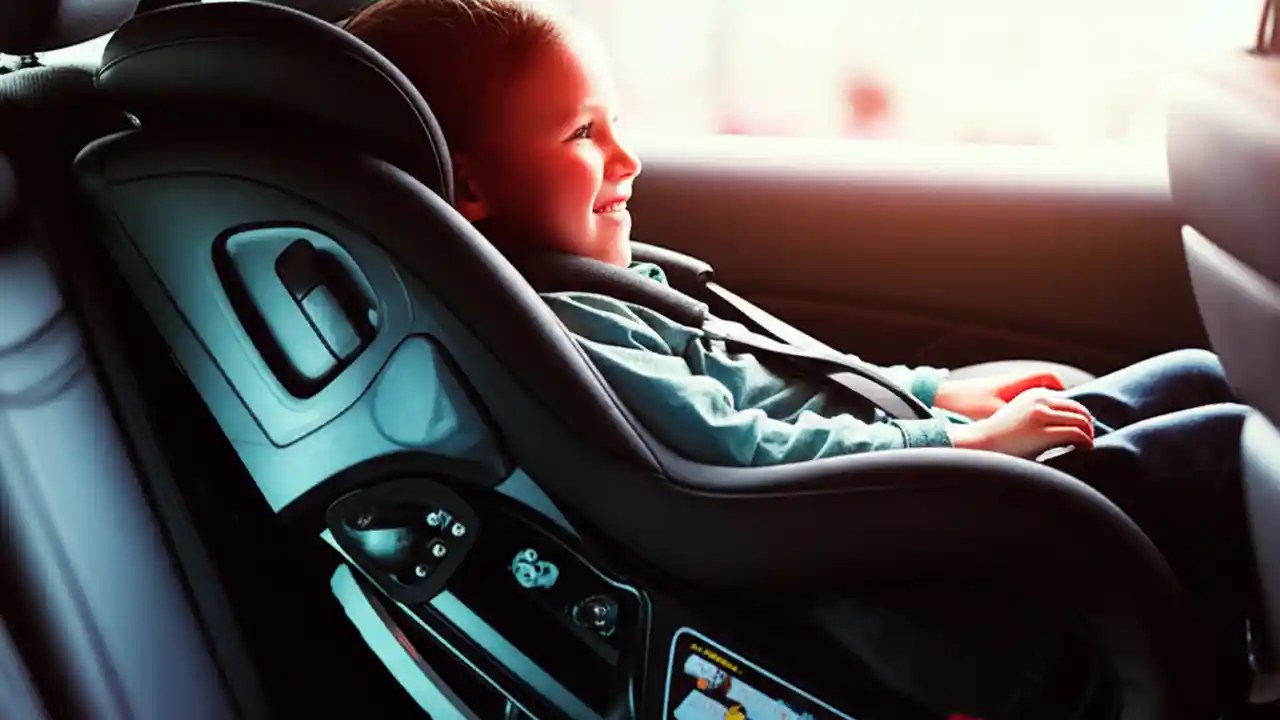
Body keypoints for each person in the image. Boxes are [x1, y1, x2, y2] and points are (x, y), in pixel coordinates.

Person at [342, 1, 1255, 716]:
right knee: (1218, 446)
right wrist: (967, 448)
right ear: (468, 185)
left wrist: (938, 392)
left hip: (917, 495)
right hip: (900, 566)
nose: (629, 158)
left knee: (1192, 377)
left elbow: (774, 380)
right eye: (584, 134)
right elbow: (745, 453)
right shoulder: (560, 335)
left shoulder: (602, 287)